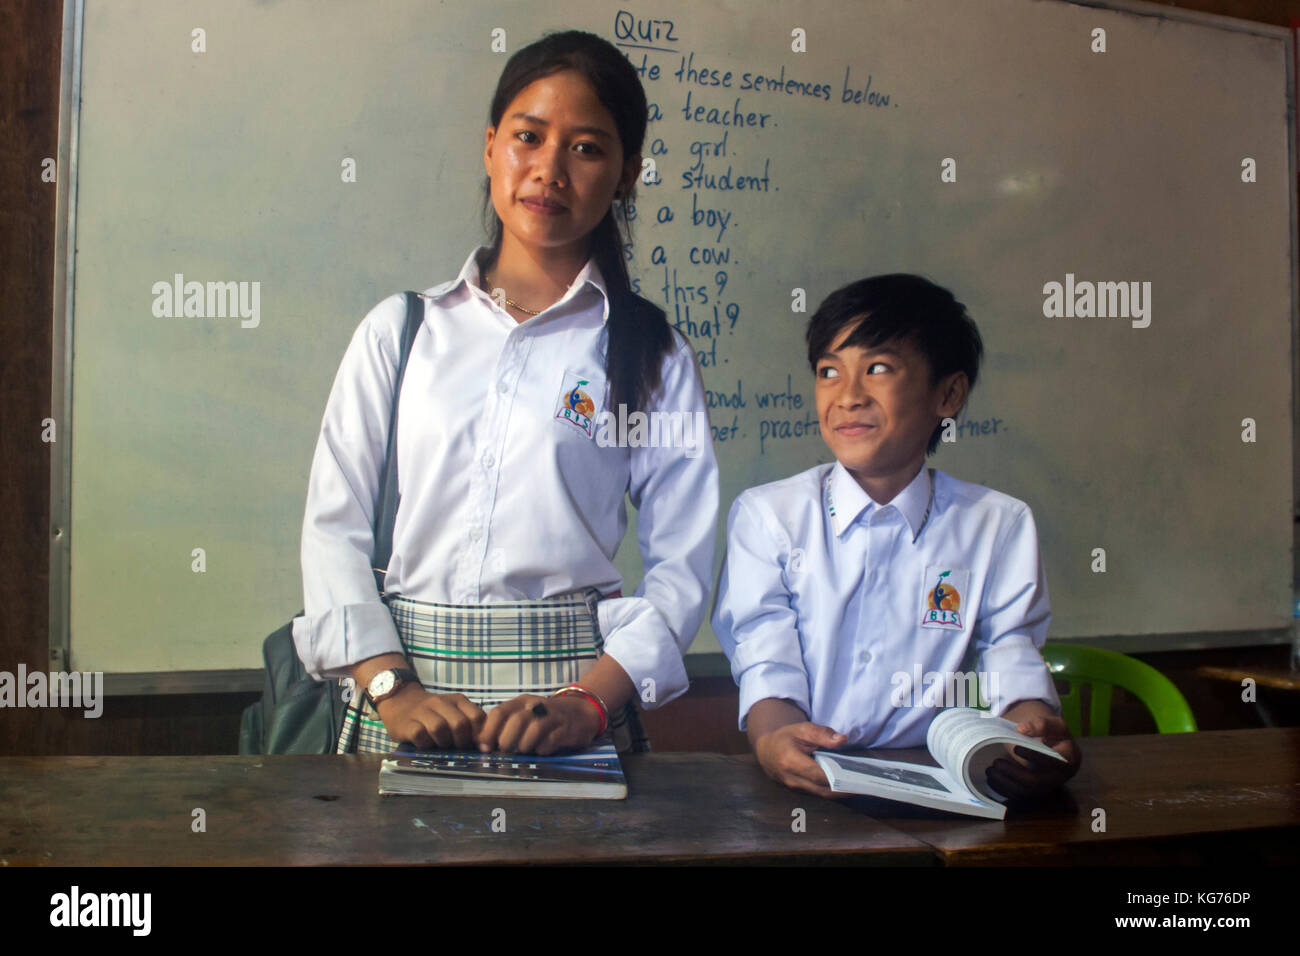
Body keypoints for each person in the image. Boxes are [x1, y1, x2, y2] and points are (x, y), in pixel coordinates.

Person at [291, 30, 718, 756]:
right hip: (402, 703)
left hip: (572, 712)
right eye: (529, 136)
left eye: (587, 148)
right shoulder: (400, 332)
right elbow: (334, 532)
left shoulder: (652, 355)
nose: (549, 169)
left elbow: (684, 566)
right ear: (491, 146)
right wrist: (395, 689)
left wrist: (587, 702)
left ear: (626, 174)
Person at [712, 274, 1081, 799]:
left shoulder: (997, 524)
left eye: (878, 368)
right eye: (828, 372)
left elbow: (1009, 655)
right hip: (803, 785)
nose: (848, 396)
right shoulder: (769, 515)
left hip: (940, 788)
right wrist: (774, 738)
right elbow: (765, 656)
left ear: (948, 393)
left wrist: (1034, 732)